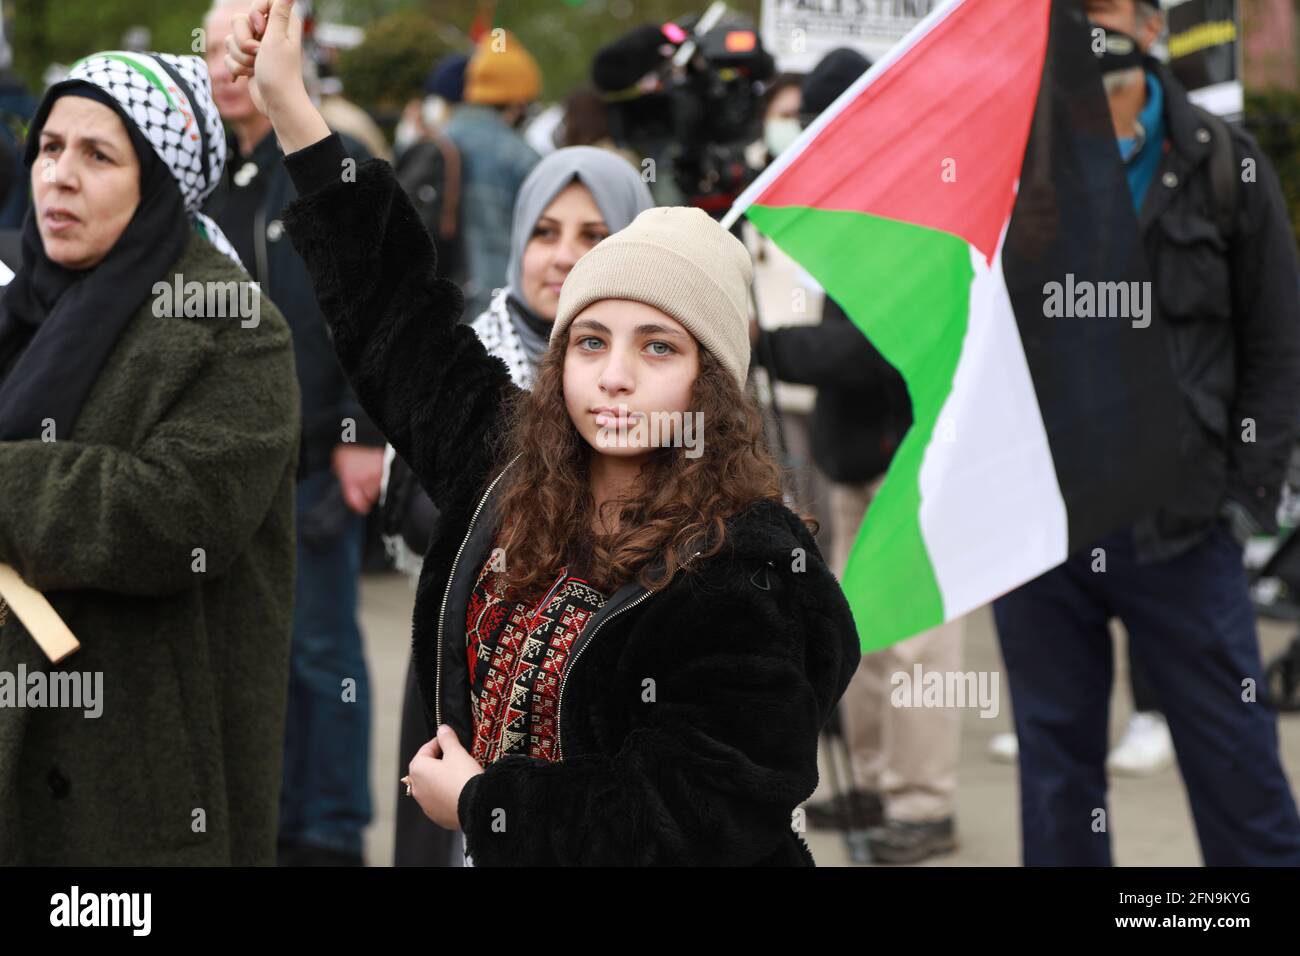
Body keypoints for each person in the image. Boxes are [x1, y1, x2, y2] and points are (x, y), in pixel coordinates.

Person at [225, 0, 860, 866]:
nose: (615, 374)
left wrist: (486, 805)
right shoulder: (513, 467)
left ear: (711, 385)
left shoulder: (753, 570)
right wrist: (292, 109)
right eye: (590, 341)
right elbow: (393, 313)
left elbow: (691, 816)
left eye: (658, 347)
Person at [991, 0, 1300, 866]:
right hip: (1044, 529)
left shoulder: (1221, 165)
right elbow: (971, 338)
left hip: (1184, 529)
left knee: (1237, 768)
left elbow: (1278, 346)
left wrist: (1241, 504)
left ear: (1155, 28)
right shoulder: (1014, 164)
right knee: (1057, 781)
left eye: (1112, 9)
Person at [0, 50, 298, 864]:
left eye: (99, 155)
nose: (59, 175)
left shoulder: (232, 326)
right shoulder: (15, 305)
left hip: (133, 767)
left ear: (161, 182)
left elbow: (177, 513)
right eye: (51, 147)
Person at [388, 144, 653, 866]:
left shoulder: (663, 391)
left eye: (594, 235)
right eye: (545, 231)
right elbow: (408, 509)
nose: (564, 256)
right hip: (460, 660)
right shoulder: (471, 357)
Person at [754, 47, 965, 865]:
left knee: (914, 643)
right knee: (866, 631)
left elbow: (874, 345)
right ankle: (878, 784)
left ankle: (923, 804)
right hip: (858, 455)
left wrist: (767, 345)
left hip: (907, 458)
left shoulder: (915, 207)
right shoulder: (872, 202)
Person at [203, 0, 386, 867]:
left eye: (243, 49)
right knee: (239, 650)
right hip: (218, 461)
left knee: (320, 651)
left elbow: (368, 298)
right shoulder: (189, 173)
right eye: (211, 50)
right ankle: (267, 821)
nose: (225, 68)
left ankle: (332, 830)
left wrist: (359, 428)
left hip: (312, 453)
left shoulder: (322, 166)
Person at [445, 28, 542, 317]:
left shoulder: (434, 140)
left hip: (434, 303)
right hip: (497, 305)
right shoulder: (522, 156)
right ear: (518, 102)